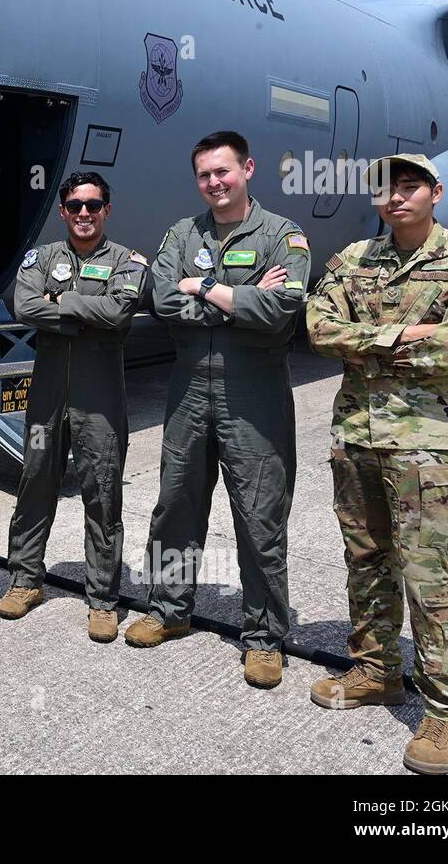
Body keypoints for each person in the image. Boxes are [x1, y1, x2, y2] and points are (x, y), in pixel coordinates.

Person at [306, 154, 448, 774]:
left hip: (426, 443)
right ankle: (377, 669)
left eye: (410, 185)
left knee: (430, 575)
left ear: (436, 193)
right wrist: (406, 335)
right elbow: (317, 329)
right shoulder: (351, 259)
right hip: (356, 437)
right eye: (386, 189)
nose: (396, 197)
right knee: (366, 561)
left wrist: (369, 340)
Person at [125, 130, 310, 690]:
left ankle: (263, 637)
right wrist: (232, 298)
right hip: (189, 392)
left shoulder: (283, 235)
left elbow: (281, 308)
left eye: (223, 171)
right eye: (204, 174)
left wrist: (200, 286)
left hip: (254, 395)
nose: (214, 183)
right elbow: (161, 299)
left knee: (258, 515)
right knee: (176, 504)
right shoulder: (183, 233)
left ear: (248, 169)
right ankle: (167, 610)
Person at [0, 172, 148, 642]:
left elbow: (120, 314)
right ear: (63, 211)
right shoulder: (42, 258)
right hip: (45, 401)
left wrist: (59, 302)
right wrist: (86, 312)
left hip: (99, 401)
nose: (85, 213)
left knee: (102, 490)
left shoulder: (128, 261)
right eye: (75, 205)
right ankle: (26, 579)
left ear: (107, 209)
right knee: (36, 480)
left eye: (94, 205)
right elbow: (23, 307)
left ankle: (102, 599)